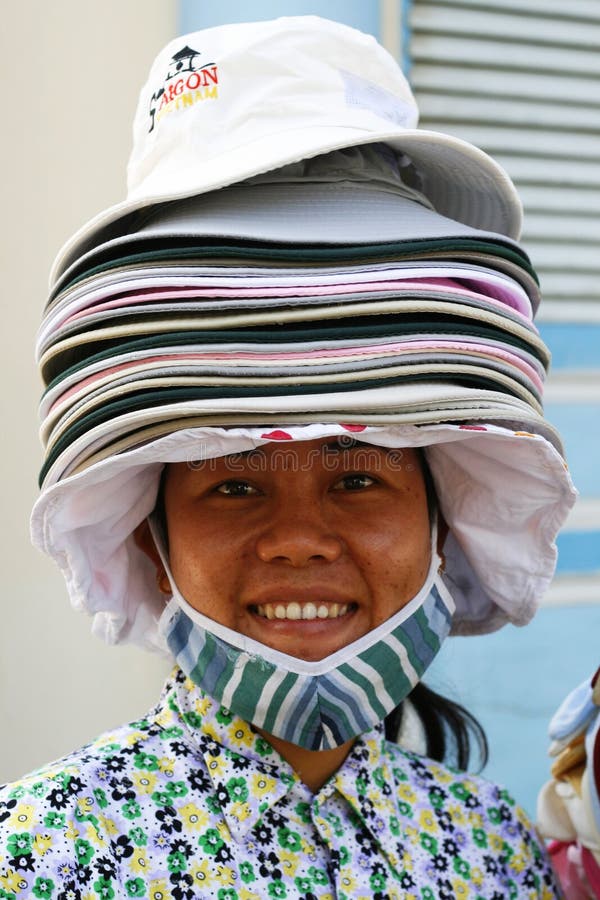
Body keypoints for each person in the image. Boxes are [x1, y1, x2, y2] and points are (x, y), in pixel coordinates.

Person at [0, 16, 577, 899]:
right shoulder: (40, 860)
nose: (299, 539)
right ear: (152, 539)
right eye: (230, 483)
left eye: (357, 477)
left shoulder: (493, 856)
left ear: (441, 526)